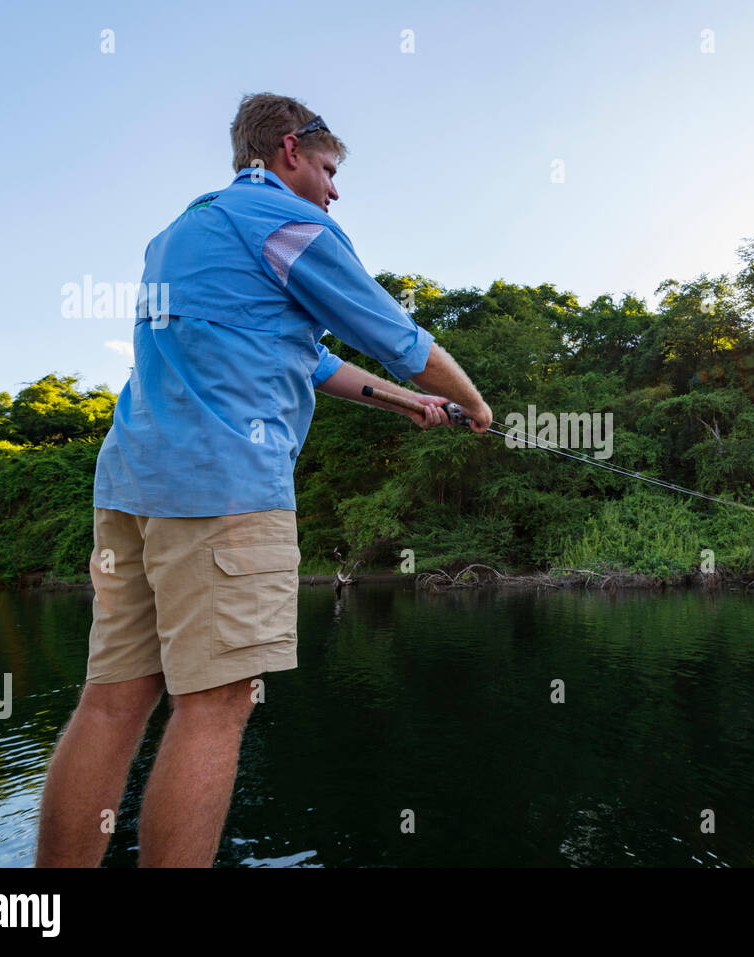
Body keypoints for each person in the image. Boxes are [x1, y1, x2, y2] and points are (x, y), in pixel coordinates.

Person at [35, 92, 491, 867]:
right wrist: (475, 403)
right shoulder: (292, 225)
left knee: (112, 703)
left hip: (129, 495)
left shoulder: (179, 235)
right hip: (223, 496)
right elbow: (395, 332)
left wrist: (409, 402)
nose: (334, 188)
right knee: (213, 709)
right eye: (327, 167)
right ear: (288, 150)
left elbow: (306, 354)